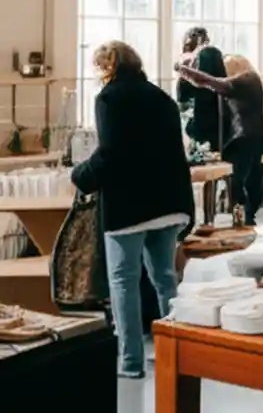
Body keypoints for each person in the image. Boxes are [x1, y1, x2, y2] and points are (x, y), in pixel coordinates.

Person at [71, 41, 194, 379]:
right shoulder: (162, 99)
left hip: (129, 207)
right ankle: (177, 355)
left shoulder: (109, 99)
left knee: (123, 282)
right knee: (166, 279)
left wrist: (81, 175)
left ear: (107, 68)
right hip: (168, 203)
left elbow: (111, 153)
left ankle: (131, 362)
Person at [176, 54, 263, 225]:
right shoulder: (252, 81)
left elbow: (214, 82)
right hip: (253, 136)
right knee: (250, 178)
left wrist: (184, 70)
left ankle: (243, 216)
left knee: (238, 179)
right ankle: (246, 216)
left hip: (242, 138)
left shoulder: (246, 80)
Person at [176, 26, 229, 152]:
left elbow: (184, 99)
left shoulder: (208, 54)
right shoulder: (207, 57)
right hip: (209, 126)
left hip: (203, 125)